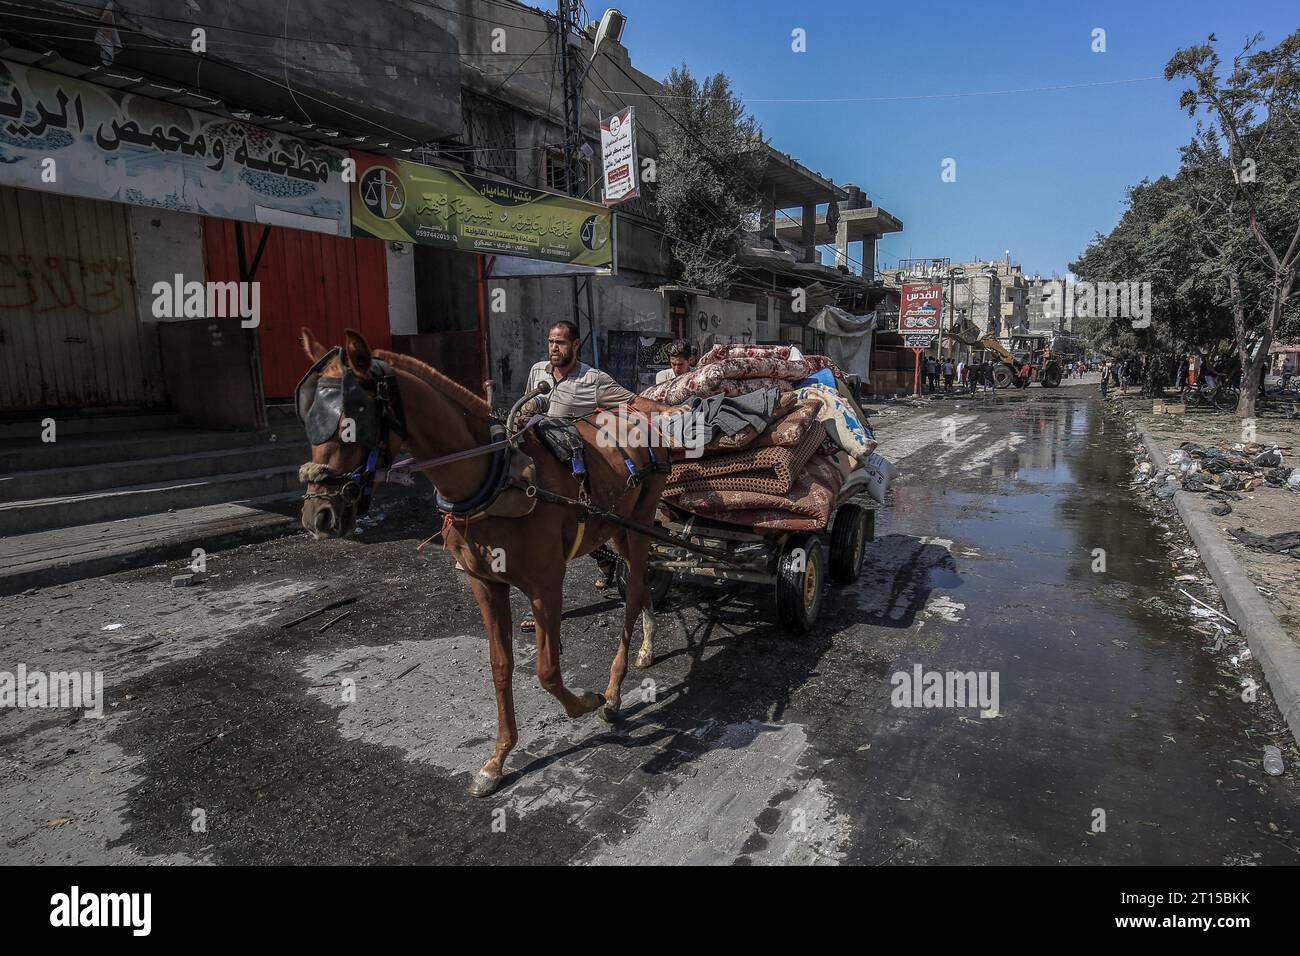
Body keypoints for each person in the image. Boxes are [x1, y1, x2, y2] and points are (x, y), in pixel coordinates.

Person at [518, 321, 639, 632]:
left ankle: (543, 605)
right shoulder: (538, 372)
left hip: (576, 466)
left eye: (560, 342)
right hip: (539, 462)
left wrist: (667, 412)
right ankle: (604, 558)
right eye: (550, 342)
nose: (554, 348)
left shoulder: (593, 379)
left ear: (576, 345)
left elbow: (630, 401)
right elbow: (526, 407)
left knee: (558, 533)